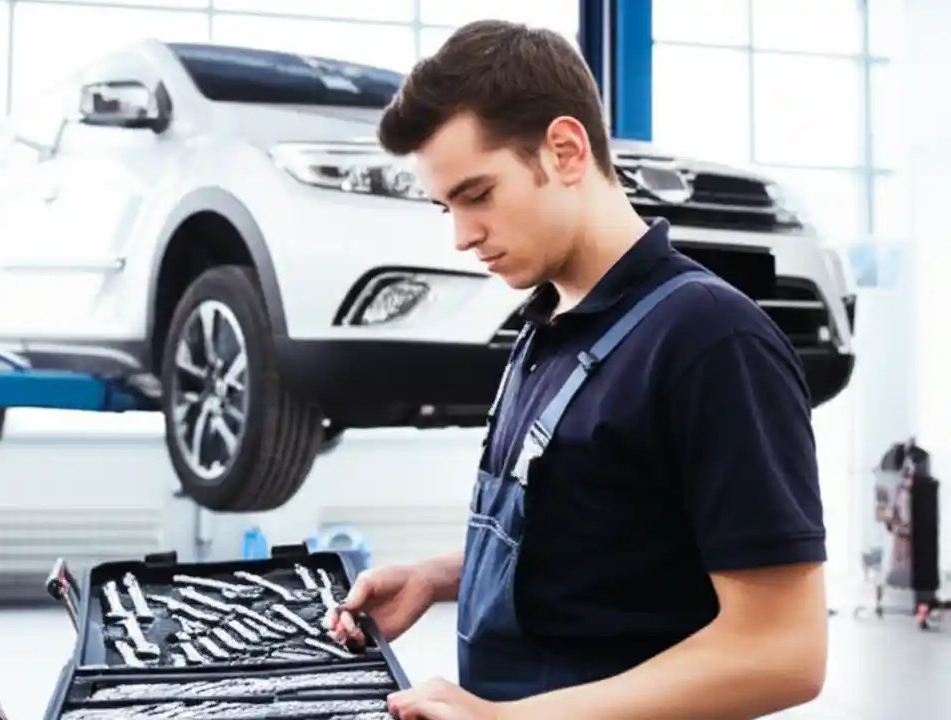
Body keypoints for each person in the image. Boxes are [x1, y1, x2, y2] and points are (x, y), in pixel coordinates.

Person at [323, 20, 829, 720]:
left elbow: (782, 654)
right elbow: (599, 547)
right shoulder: (547, 328)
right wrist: (437, 578)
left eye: (477, 195)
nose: (462, 237)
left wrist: (507, 719)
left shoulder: (712, 342)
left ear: (564, 150)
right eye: (447, 207)